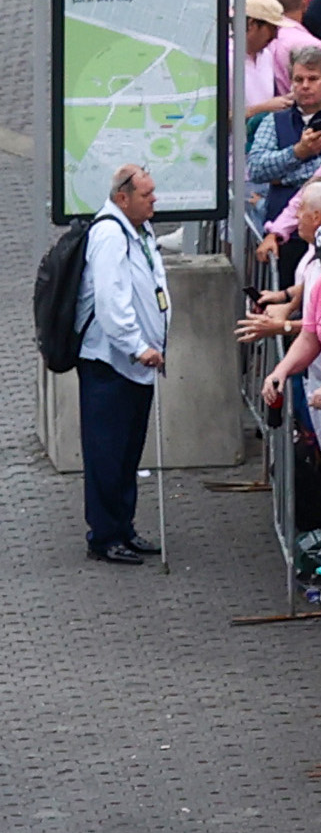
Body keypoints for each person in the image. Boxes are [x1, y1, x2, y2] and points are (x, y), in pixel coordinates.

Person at [70, 163, 168, 562]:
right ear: (123, 197)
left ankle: (123, 527)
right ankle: (104, 536)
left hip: (136, 364)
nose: (154, 199)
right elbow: (112, 301)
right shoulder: (110, 235)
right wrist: (136, 345)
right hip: (111, 363)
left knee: (128, 451)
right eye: (146, 194)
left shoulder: (139, 229)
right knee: (107, 452)